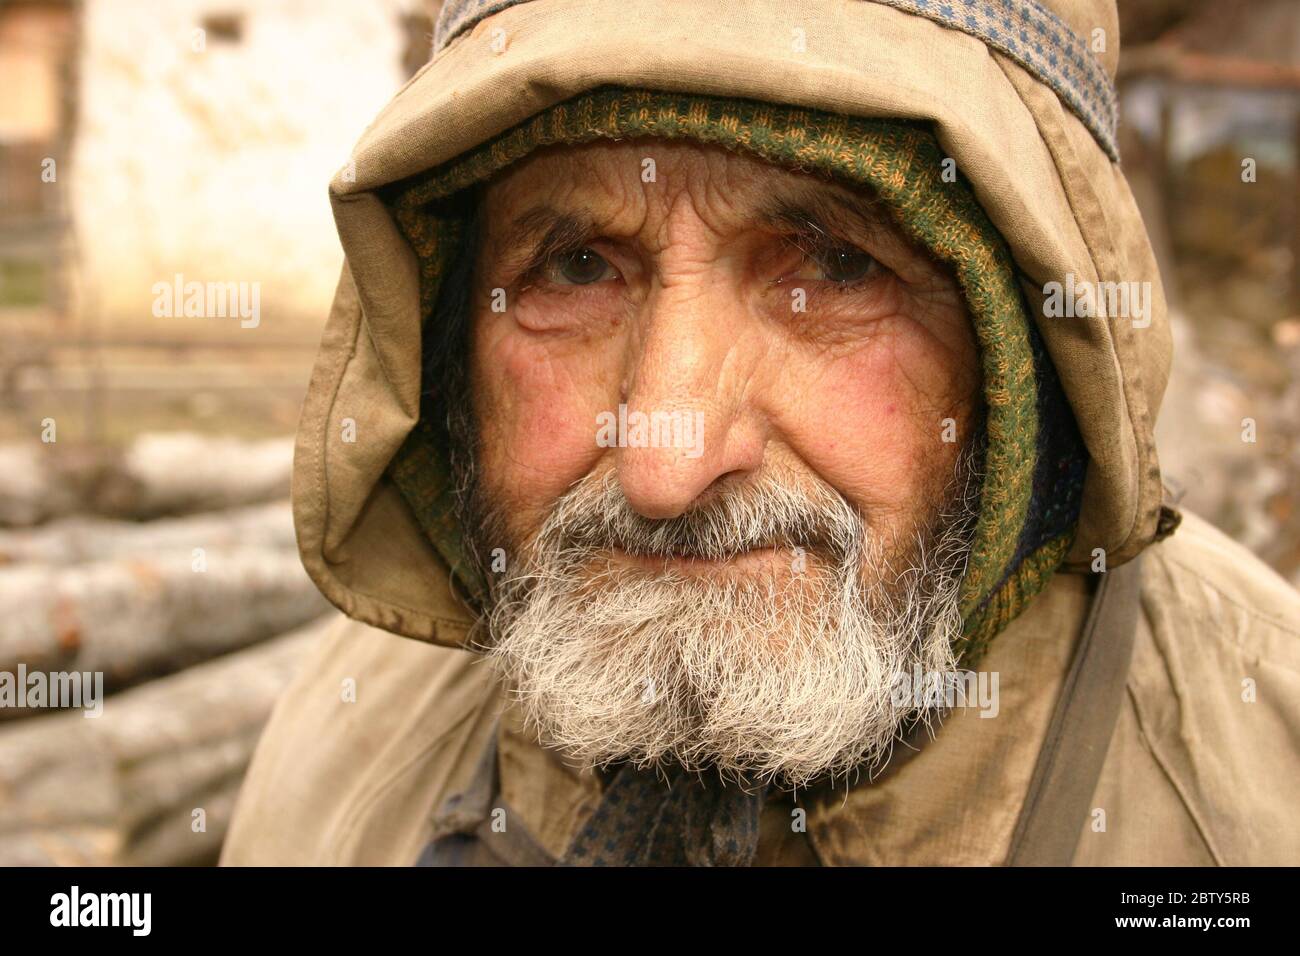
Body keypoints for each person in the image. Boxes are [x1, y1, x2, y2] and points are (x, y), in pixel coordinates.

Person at [221, 0, 1300, 866]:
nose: (665, 465)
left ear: (1023, 364)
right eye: (577, 267)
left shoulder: (1255, 787)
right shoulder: (345, 754)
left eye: (833, 267)